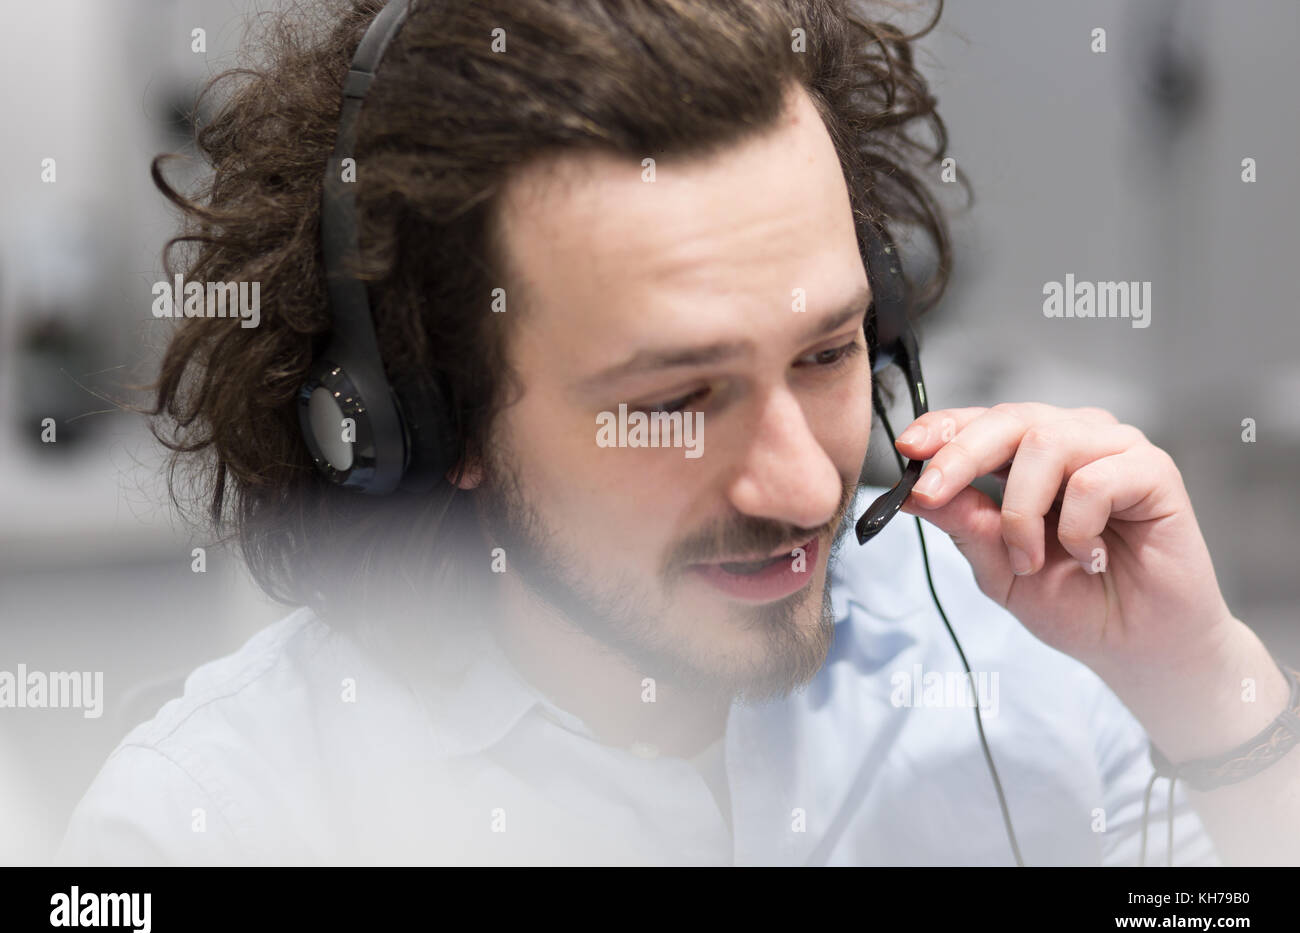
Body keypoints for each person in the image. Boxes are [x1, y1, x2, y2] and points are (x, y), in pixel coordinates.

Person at [58, 0, 1297, 865]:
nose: (807, 478)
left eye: (824, 354)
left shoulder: (1028, 669)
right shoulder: (217, 821)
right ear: (426, 412)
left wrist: (1205, 692)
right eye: (672, 400)